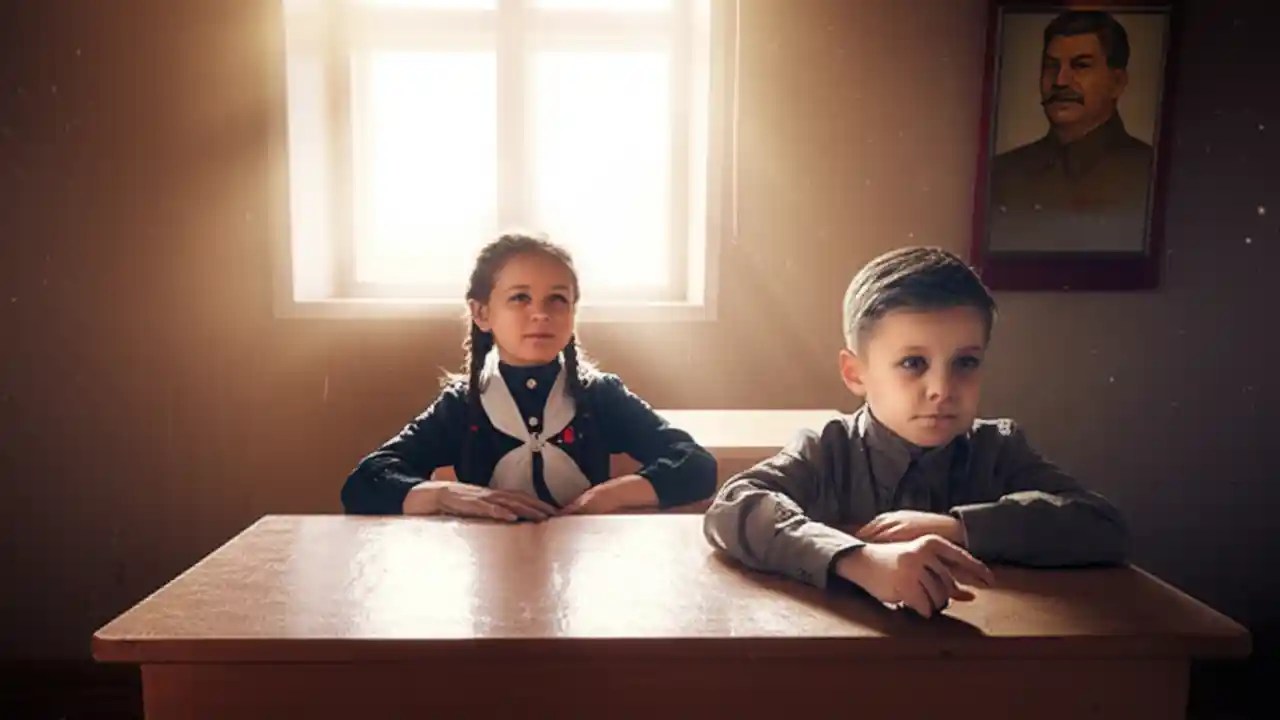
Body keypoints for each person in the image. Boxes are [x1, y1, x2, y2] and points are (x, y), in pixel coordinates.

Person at [703, 246, 1128, 617]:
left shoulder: (998, 449)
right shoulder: (827, 450)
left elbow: (1103, 526)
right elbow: (733, 507)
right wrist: (859, 560)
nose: (942, 389)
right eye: (913, 363)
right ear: (855, 373)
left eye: (965, 362)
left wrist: (957, 528)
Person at [342, 232, 717, 520]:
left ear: (573, 312)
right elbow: (365, 482)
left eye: (557, 299)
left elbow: (695, 464)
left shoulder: (599, 395)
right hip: (487, 565)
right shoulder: (463, 405)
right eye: (520, 298)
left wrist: (610, 496)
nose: (541, 314)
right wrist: (444, 495)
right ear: (482, 313)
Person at [989, 10, 1155, 253]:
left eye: (1080, 66)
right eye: (1051, 66)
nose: (1060, 81)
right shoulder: (1002, 173)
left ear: (1117, 82)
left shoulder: (1150, 173)